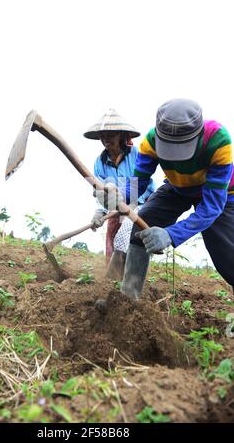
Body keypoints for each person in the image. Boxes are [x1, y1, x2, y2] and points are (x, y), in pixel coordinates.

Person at [97, 98, 234, 305]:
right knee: (140, 227)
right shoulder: (150, 142)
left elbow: (211, 207)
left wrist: (171, 234)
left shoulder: (218, 141)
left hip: (221, 193)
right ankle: (127, 300)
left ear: (198, 137)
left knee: (226, 255)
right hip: (177, 188)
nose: (178, 159)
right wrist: (119, 196)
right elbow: (137, 185)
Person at [84, 109, 155, 280]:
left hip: (140, 205)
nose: (105, 139)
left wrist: (129, 205)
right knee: (111, 243)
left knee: (125, 239)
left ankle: (129, 284)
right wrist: (99, 213)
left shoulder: (137, 155)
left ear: (122, 135)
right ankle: (112, 282)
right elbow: (102, 193)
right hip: (115, 210)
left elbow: (144, 184)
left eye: (111, 135)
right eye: (102, 135)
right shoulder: (99, 163)